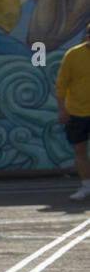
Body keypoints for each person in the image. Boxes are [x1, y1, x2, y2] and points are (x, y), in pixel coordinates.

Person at [57, 22, 90, 199]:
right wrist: (62, 109)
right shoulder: (73, 55)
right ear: (87, 37)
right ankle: (86, 186)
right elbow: (62, 84)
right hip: (77, 111)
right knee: (79, 150)